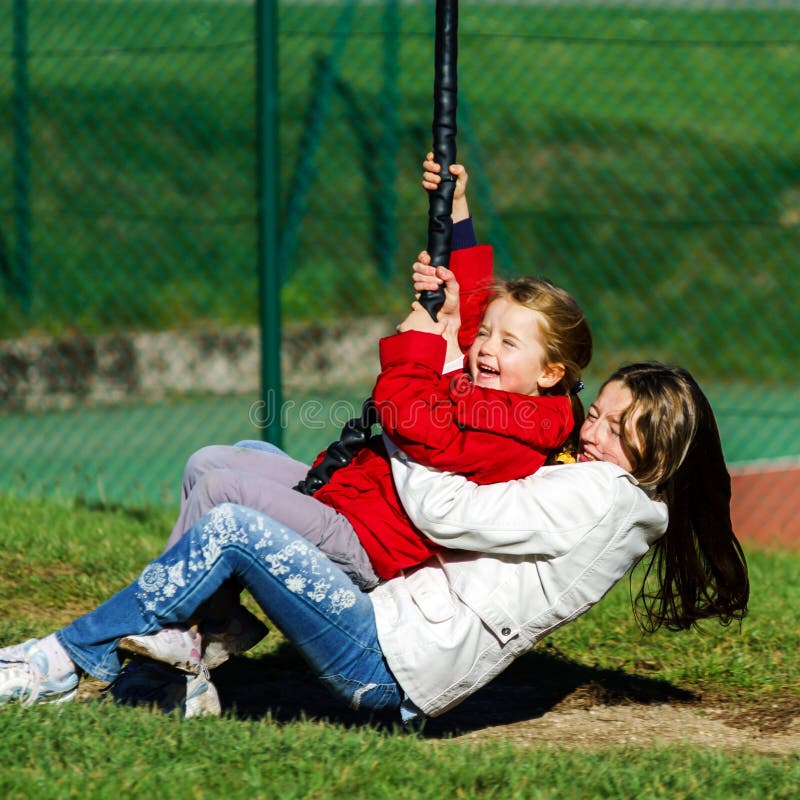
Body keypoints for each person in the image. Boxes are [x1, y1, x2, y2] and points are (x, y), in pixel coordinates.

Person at [0, 263, 749, 718]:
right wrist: (458, 252)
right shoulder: (598, 482)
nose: (593, 428)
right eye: (601, 411)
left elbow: (439, 499)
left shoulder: (598, 497)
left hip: (390, 662)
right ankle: (187, 644)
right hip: (390, 617)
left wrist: (408, 401)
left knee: (231, 520)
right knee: (232, 460)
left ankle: (65, 661)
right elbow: (482, 406)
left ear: (660, 454)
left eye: (618, 427)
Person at [112, 155, 591, 674]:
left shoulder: (518, 428)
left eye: (507, 342)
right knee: (207, 463)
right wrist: (456, 210)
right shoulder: (501, 386)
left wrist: (418, 344)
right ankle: (223, 619)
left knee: (219, 493)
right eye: (488, 335)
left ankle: (173, 626)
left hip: (365, 541)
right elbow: (474, 304)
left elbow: (415, 423)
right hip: (350, 498)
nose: (484, 346)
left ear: (550, 373)